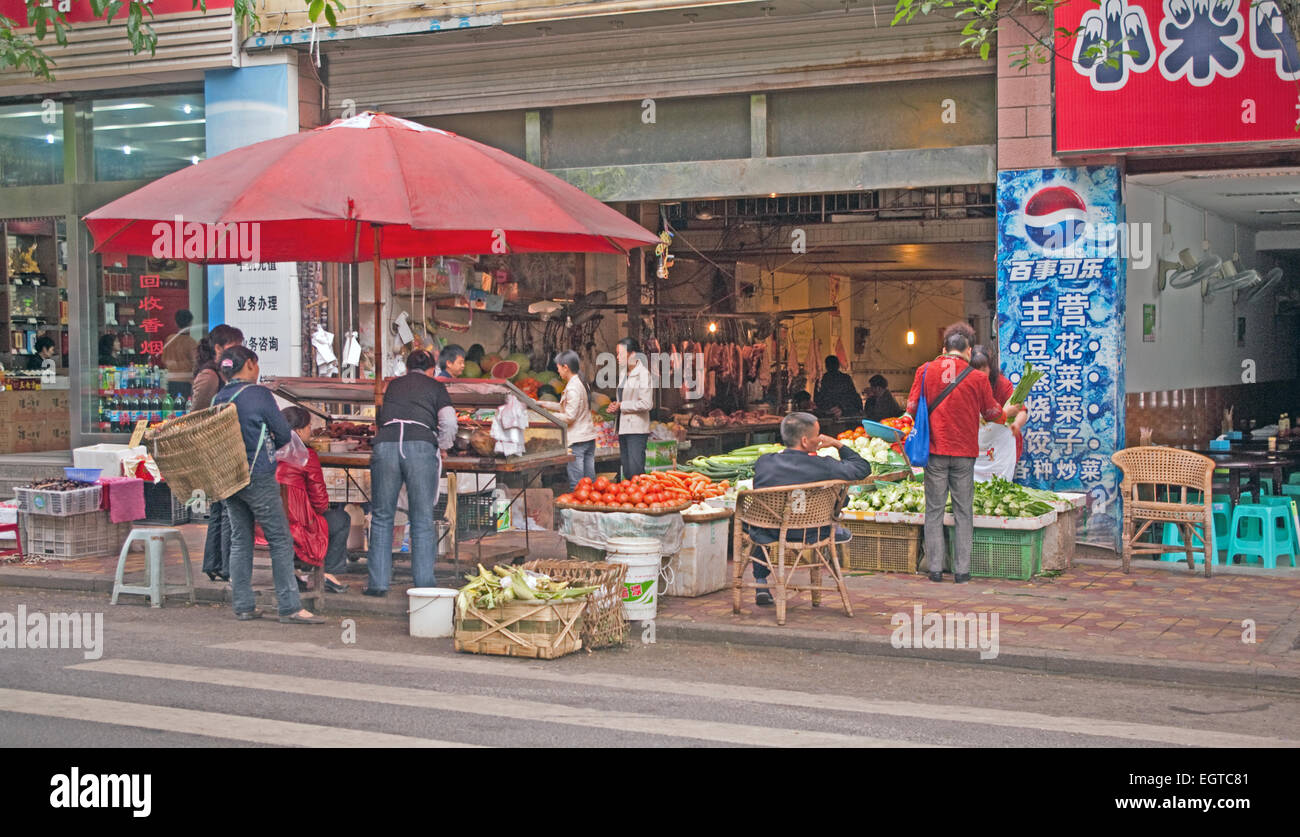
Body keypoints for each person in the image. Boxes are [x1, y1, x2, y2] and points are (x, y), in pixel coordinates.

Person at [212, 346, 325, 624]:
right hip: (258, 475)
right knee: (280, 539)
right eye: (256, 364)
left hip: (229, 477)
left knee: (240, 539)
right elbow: (284, 433)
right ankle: (289, 607)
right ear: (250, 364)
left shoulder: (219, 397)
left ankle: (243, 605)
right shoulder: (259, 394)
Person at [906, 325, 1023, 585]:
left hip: (934, 452)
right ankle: (962, 572)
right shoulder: (978, 378)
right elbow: (992, 413)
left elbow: (912, 407)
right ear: (968, 351)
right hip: (964, 453)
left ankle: (935, 570)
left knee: (934, 510)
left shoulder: (925, 371)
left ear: (944, 349)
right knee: (963, 512)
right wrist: (1009, 412)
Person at [745, 412, 871, 605]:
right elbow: (862, 468)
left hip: (769, 531)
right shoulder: (823, 466)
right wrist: (837, 444)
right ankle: (835, 530)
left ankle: (761, 580)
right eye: (818, 435)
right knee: (836, 503)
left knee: (758, 520)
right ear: (805, 441)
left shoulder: (764, 462)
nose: (820, 439)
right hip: (811, 532)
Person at [366, 349, 457, 597]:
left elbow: (382, 415)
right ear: (431, 369)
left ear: (406, 369)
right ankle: (424, 585)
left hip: (386, 445)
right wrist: (444, 445)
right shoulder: (436, 387)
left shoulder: (393, 385)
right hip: (419, 446)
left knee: (382, 516)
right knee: (422, 518)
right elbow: (449, 422)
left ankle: (377, 584)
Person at [277, 406, 351, 594]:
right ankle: (328, 573)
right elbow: (320, 503)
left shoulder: (267, 453)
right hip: (296, 532)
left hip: (263, 529)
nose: (311, 431)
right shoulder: (306, 456)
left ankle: (294, 571)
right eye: (309, 427)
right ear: (299, 431)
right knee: (341, 519)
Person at [193, 324, 244, 583]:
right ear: (217, 348)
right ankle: (223, 565)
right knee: (225, 509)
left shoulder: (222, 374)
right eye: (232, 347)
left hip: (221, 445)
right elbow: (198, 415)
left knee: (220, 508)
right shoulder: (210, 376)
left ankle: (214, 563)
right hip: (215, 447)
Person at [969, 344, 1027, 463]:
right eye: (976, 370)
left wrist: (1016, 424)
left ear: (990, 368)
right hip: (976, 447)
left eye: (984, 369)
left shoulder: (1002, 384)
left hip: (1001, 447)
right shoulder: (965, 386)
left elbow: (1021, 410)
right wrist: (1005, 413)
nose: (981, 374)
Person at [550, 350, 596, 490]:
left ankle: (577, 510)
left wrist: (549, 417)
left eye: (558, 369)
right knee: (590, 482)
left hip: (577, 441)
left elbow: (570, 417)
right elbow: (566, 407)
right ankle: (591, 507)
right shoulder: (581, 382)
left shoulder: (572, 388)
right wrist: (542, 405)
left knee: (577, 484)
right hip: (588, 437)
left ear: (566, 367)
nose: (558, 373)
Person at [610, 337, 653, 479]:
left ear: (633, 354)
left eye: (620, 354)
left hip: (636, 429)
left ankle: (641, 498)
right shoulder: (623, 373)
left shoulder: (644, 375)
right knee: (627, 470)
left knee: (635, 471)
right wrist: (616, 405)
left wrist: (622, 405)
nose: (617, 357)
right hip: (624, 428)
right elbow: (624, 398)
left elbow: (647, 404)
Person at [192, 324, 245, 411]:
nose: (238, 352)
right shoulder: (209, 375)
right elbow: (198, 413)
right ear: (218, 348)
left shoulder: (226, 371)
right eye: (234, 347)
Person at [161, 309, 198, 399]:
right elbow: (196, 363)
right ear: (190, 324)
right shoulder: (191, 342)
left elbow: (163, 360)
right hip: (186, 382)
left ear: (176, 323)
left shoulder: (169, 339)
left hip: (171, 381)